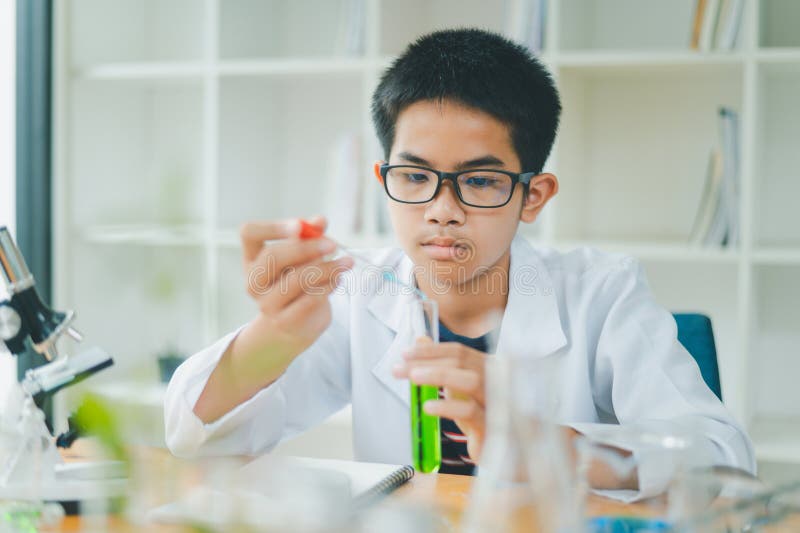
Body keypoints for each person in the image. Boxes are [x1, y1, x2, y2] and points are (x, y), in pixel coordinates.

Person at [164, 28, 753, 499]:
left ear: (534, 196)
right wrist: (269, 339)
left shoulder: (601, 291)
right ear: (383, 181)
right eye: (416, 177)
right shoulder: (359, 289)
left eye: (479, 180)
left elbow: (722, 458)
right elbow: (195, 439)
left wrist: (551, 447)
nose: (442, 211)